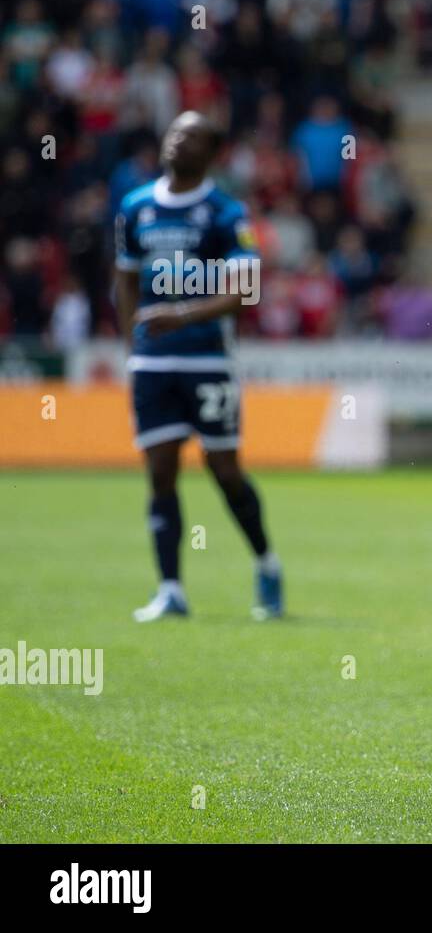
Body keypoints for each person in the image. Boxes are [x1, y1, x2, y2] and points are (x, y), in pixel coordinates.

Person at [114, 111, 283, 622]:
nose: (176, 142)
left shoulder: (226, 214)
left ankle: (266, 562)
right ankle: (170, 589)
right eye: (173, 133)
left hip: (208, 359)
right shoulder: (135, 207)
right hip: (153, 362)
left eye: (190, 137)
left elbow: (246, 291)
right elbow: (124, 278)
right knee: (160, 470)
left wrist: (181, 313)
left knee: (224, 470)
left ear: (211, 153)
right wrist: (133, 346)